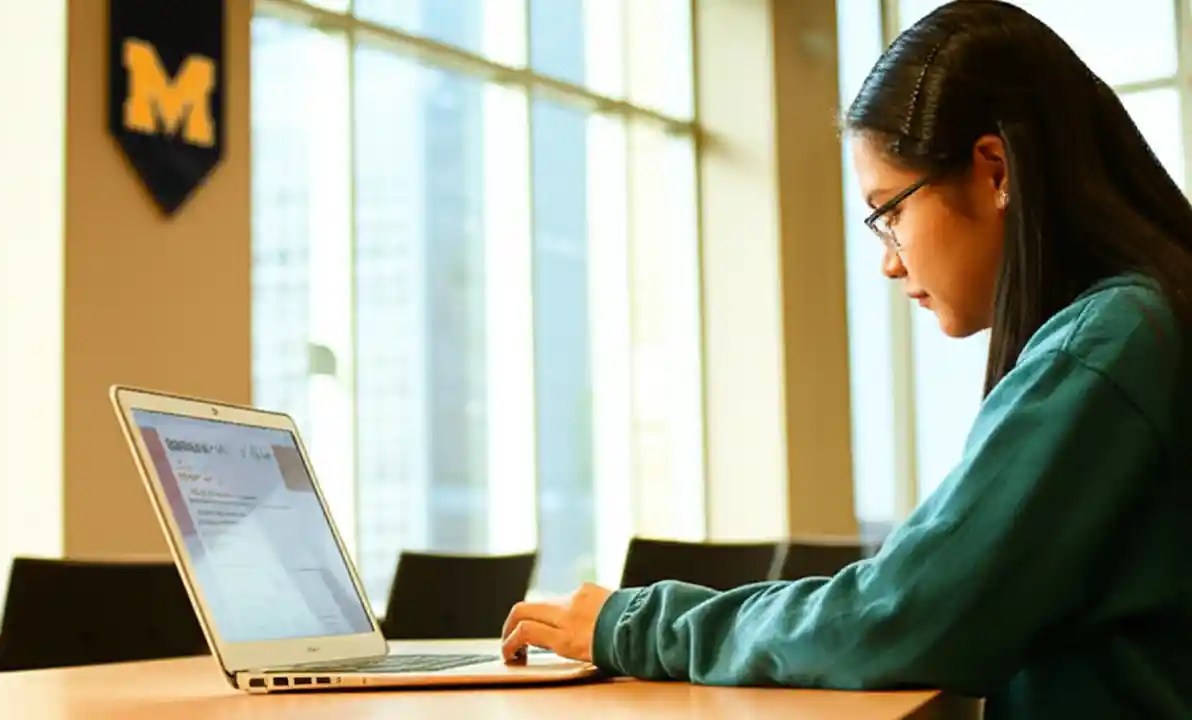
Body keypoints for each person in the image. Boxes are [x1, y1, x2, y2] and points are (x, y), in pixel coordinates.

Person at [498, 1, 1192, 717]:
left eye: (890, 211)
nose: (889, 263)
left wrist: (635, 623)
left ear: (993, 170)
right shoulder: (1143, 319)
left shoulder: (1110, 343)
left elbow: (907, 613)